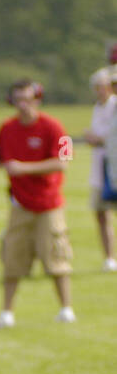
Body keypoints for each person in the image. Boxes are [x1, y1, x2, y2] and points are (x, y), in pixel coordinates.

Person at [0, 80, 74, 327]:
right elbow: (1, 157)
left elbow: (63, 161)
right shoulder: (6, 128)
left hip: (49, 204)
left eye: (27, 99)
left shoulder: (54, 126)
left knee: (56, 257)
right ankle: (7, 313)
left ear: (37, 100)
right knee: (12, 258)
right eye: (17, 100)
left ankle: (66, 309)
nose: (22, 105)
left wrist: (24, 168)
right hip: (19, 204)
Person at [82, 67, 117, 271]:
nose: (100, 91)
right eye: (96, 87)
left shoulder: (114, 106)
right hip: (99, 167)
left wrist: (98, 139)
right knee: (101, 213)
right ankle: (109, 257)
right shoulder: (97, 107)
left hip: (113, 166)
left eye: (103, 86)